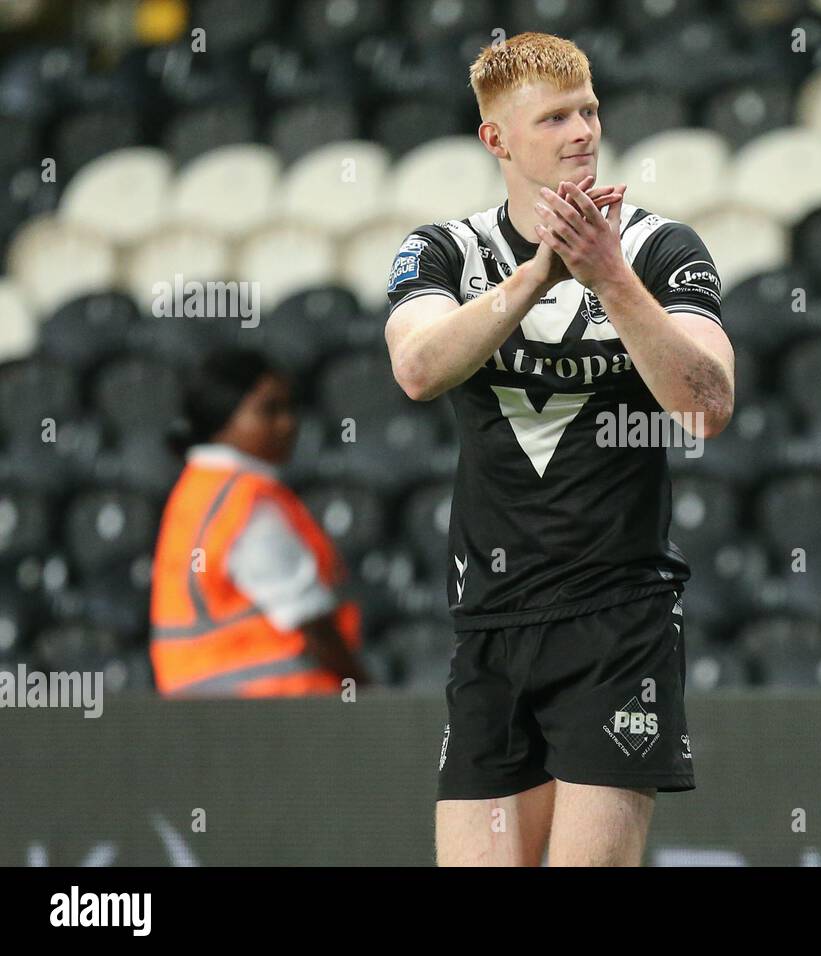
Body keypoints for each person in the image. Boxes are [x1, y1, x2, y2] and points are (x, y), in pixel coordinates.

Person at [384, 32, 735, 866]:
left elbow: (707, 405)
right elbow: (418, 368)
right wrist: (537, 276)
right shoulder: (444, 251)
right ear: (496, 140)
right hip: (491, 623)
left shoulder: (658, 249)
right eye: (554, 118)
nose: (582, 132)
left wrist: (608, 277)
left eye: (590, 111)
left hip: (618, 620)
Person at [150, 348, 370, 697]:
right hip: (272, 707)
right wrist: (365, 690)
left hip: (201, 704)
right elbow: (309, 617)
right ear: (221, 419)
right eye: (270, 410)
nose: (288, 423)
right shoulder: (245, 501)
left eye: (290, 408)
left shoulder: (198, 489)